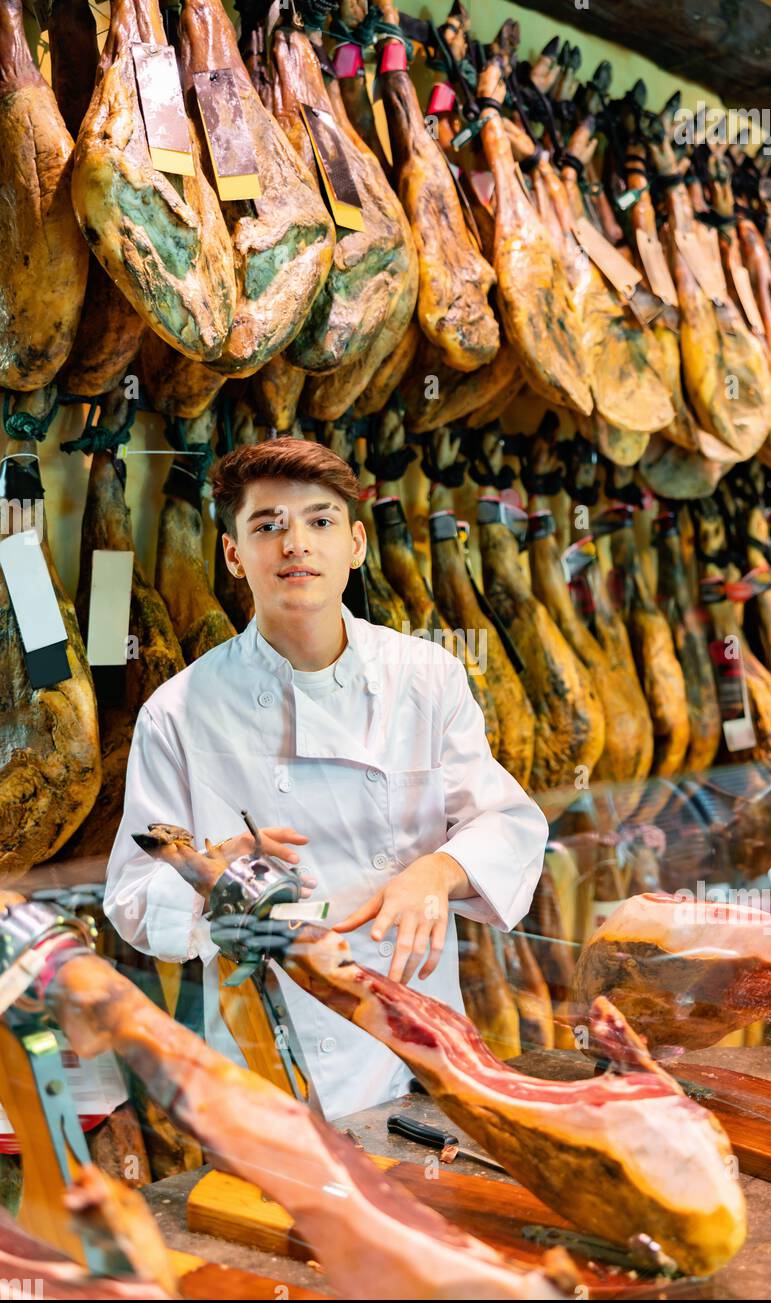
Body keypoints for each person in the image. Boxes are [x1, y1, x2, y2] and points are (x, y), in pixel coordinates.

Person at [104, 438, 548, 1119]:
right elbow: (131, 899)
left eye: (319, 521)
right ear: (232, 554)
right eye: (267, 527)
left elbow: (508, 823)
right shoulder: (179, 711)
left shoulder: (425, 677)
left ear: (357, 543)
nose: (295, 545)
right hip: (271, 1058)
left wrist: (438, 872)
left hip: (426, 1045)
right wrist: (207, 875)